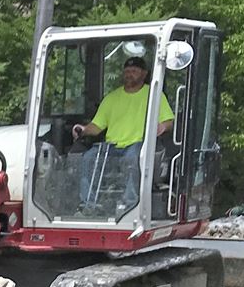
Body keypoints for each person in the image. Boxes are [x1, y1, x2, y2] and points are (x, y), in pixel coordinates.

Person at [71, 56, 174, 211]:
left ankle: (128, 204)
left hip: (138, 144)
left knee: (132, 158)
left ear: (144, 74)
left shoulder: (154, 95)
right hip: (111, 146)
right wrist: (84, 129)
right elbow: (97, 126)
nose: (129, 74)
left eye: (134, 71)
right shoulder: (111, 98)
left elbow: (169, 121)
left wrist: (163, 127)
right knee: (88, 158)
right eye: (127, 71)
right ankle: (88, 205)